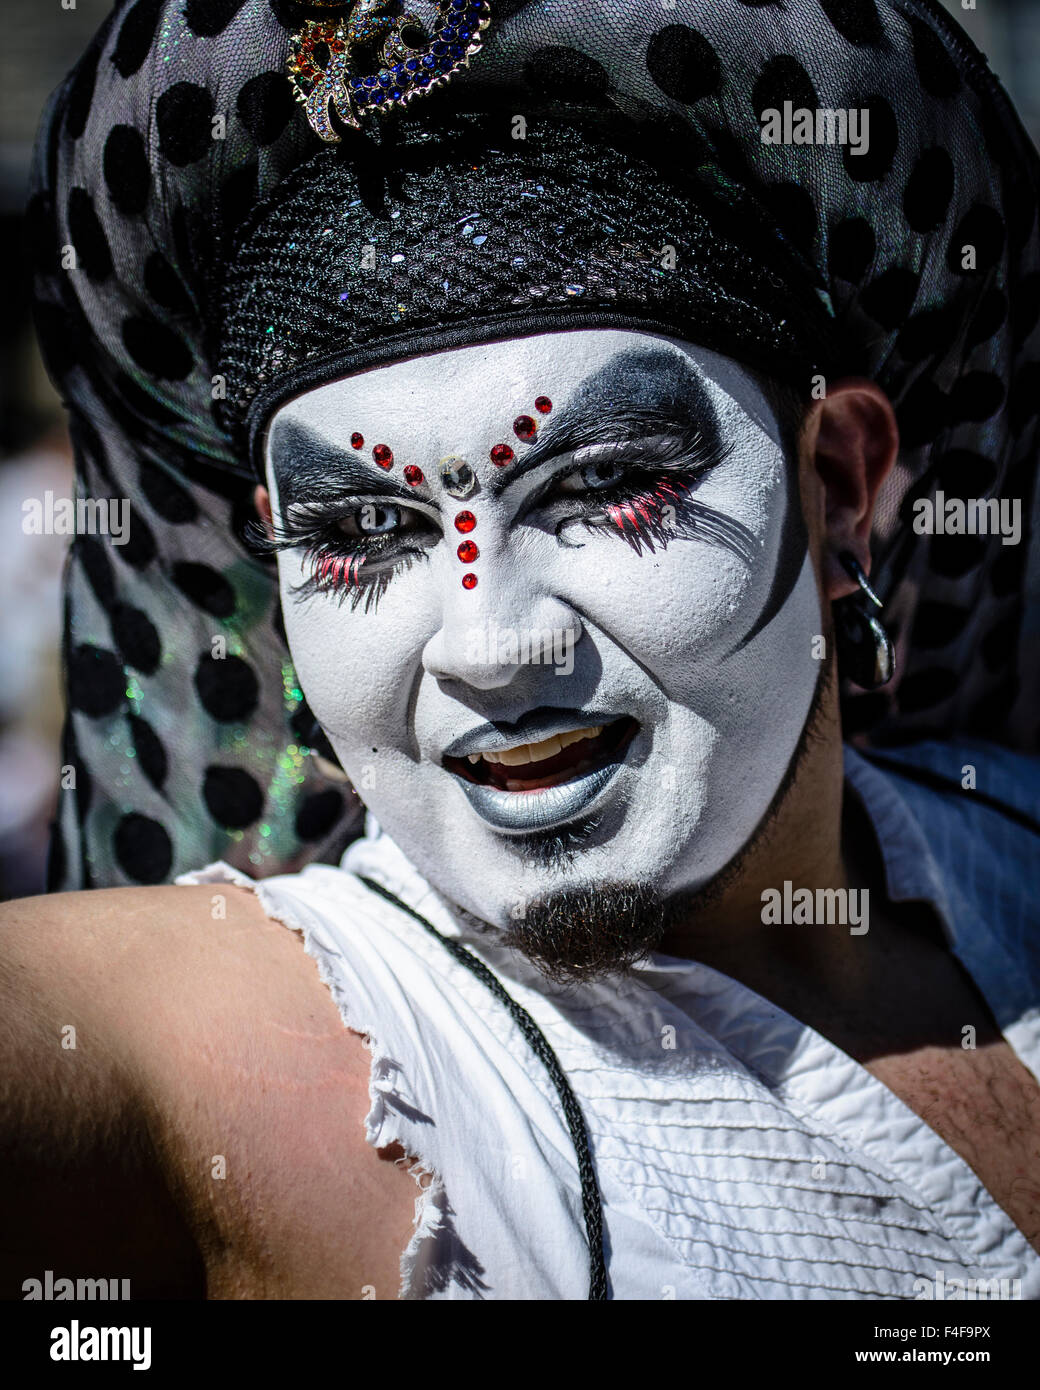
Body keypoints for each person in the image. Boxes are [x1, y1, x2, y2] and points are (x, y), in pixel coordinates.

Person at [2, 0, 1038, 1300]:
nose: (489, 645)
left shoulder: (1011, 845)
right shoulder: (273, 1048)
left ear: (837, 484)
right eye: (365, 529)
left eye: (603, 483)